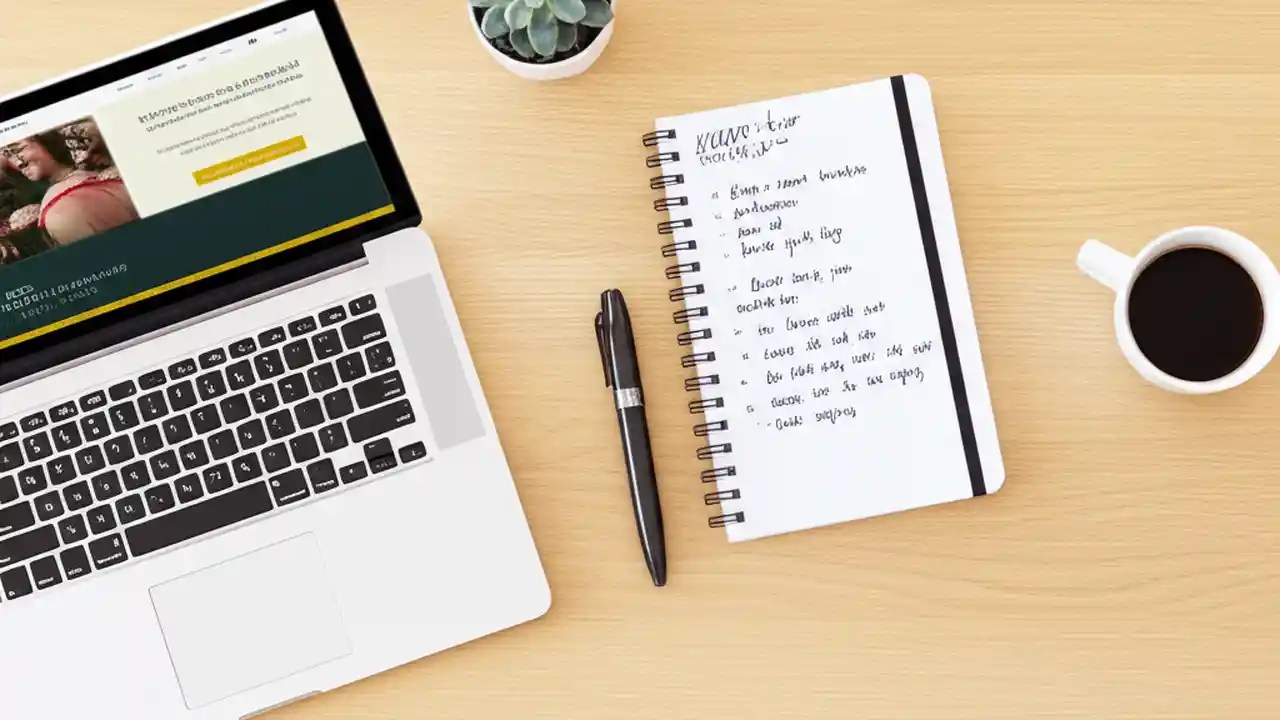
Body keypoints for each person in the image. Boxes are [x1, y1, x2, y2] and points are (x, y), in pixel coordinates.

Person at [7, 130, 139, 246]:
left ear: (47, 143)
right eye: (9, 155)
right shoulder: (105, 180)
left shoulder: (58, 209)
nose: (16, 161)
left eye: (18, 150)